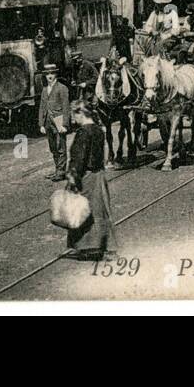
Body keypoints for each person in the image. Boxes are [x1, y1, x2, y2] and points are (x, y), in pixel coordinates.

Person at [64, 100, 116, 261]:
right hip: (98, 175)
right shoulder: (98, 130)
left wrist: (73, 176)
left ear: (80, 113)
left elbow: (79, 158)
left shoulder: (83, 133)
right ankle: (104, 245)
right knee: (100, 211)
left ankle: (85, 246)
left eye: (74, 115)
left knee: (80, 211)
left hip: (86, 177)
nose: (74, 119)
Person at [39, 63, 71, 182]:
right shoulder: (44, 90)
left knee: (61, 147)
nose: (50, 76)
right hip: (48, 121)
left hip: (58, 120)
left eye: (52, 73)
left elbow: (66, 107)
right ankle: (57, 169)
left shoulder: (62, 88)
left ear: (56, 74)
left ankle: (61, 172)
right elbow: (42, 107)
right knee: (53, 148)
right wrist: (41, 124)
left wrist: (65, 124)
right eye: (47, 74)